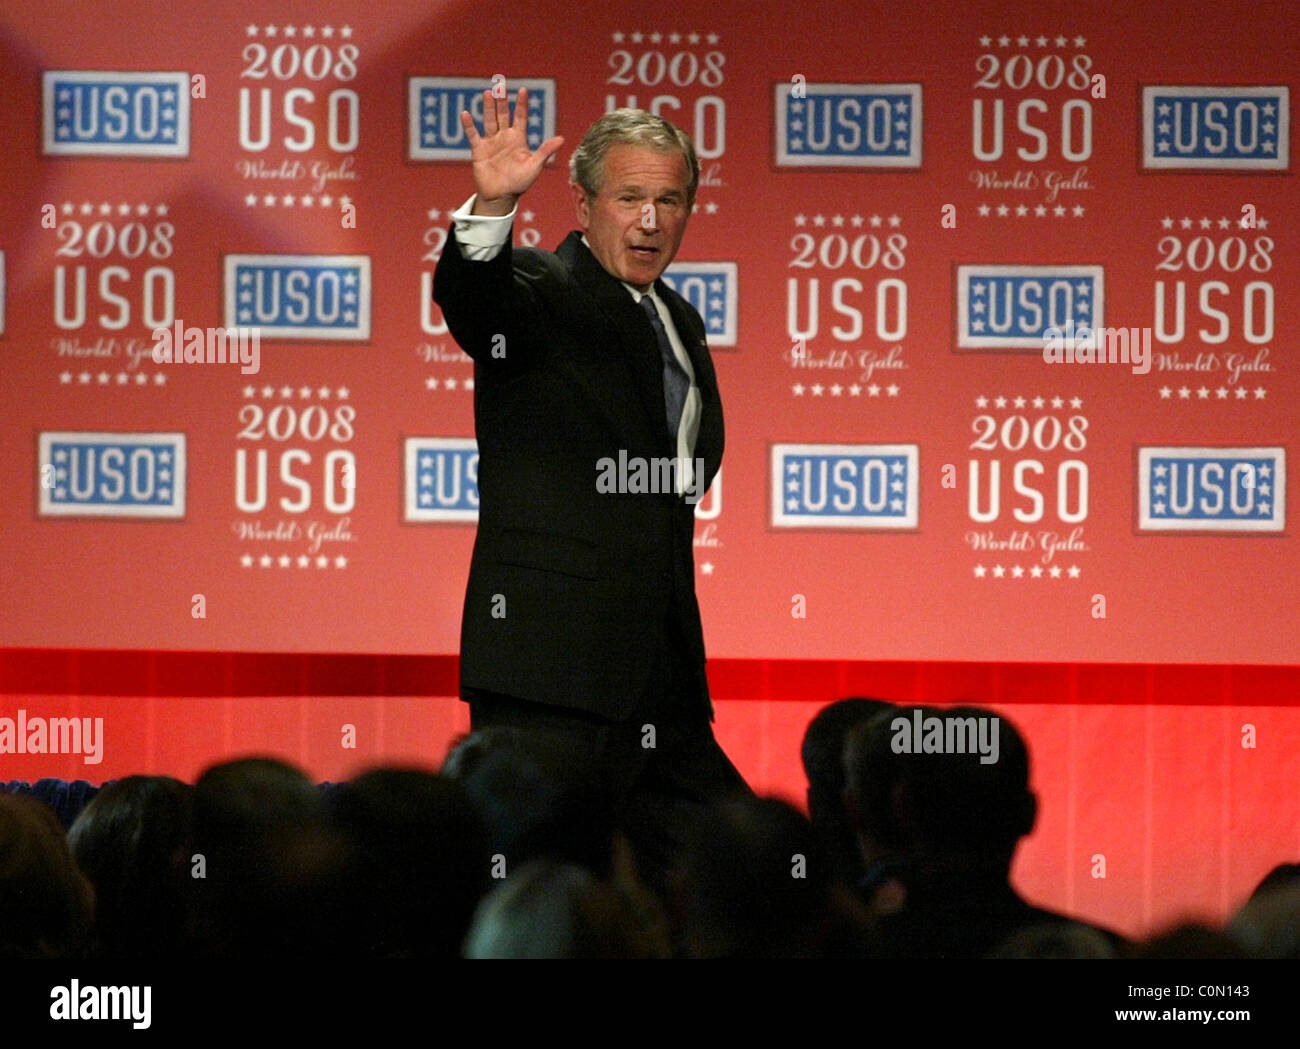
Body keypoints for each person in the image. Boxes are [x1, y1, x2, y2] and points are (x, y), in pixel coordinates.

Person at [432, 88, 749, 889]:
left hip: (665, 683)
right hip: (553, 676)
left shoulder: (681, 320)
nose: (650, 220)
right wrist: (494, 203)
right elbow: (475, 300)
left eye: (669, 200)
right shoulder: (541, 291)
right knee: (541, 897)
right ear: (583, 202)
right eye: (631, 197)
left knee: (744, 875)